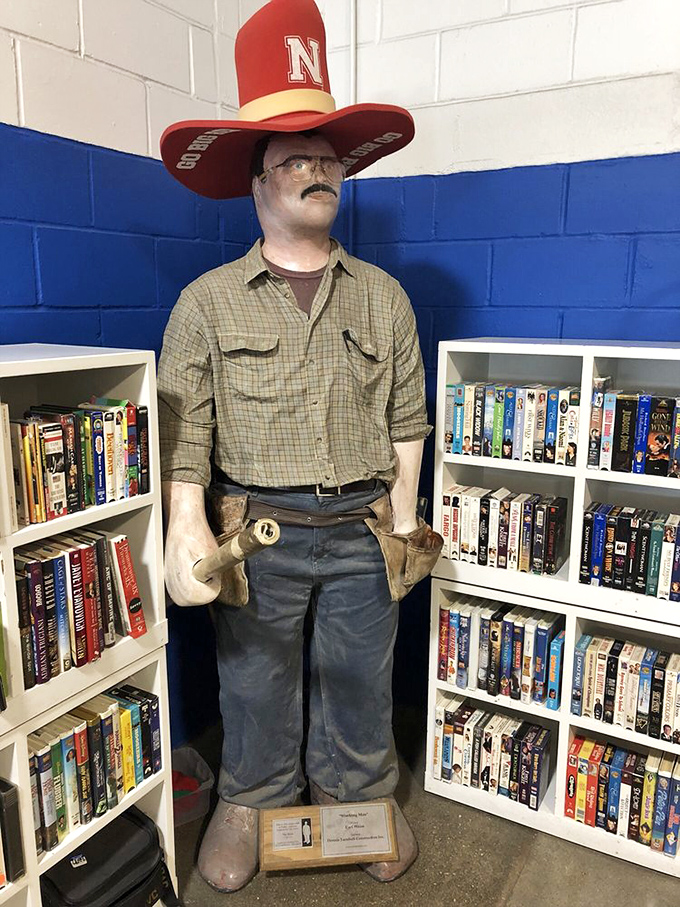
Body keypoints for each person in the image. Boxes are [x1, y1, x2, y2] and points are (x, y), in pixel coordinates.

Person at [157, 0, 438, 893]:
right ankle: (252, 798)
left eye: (327, 156)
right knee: (251, 681)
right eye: (295, 159)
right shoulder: (205, 303)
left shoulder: (385, 298)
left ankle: (359, 791)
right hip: (258, 536)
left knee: (361, 672)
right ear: (258, 182)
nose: (319, 170)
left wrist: (404, 519)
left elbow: (407, 420)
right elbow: (186, 433)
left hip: (361, 531)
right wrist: (186, 527)